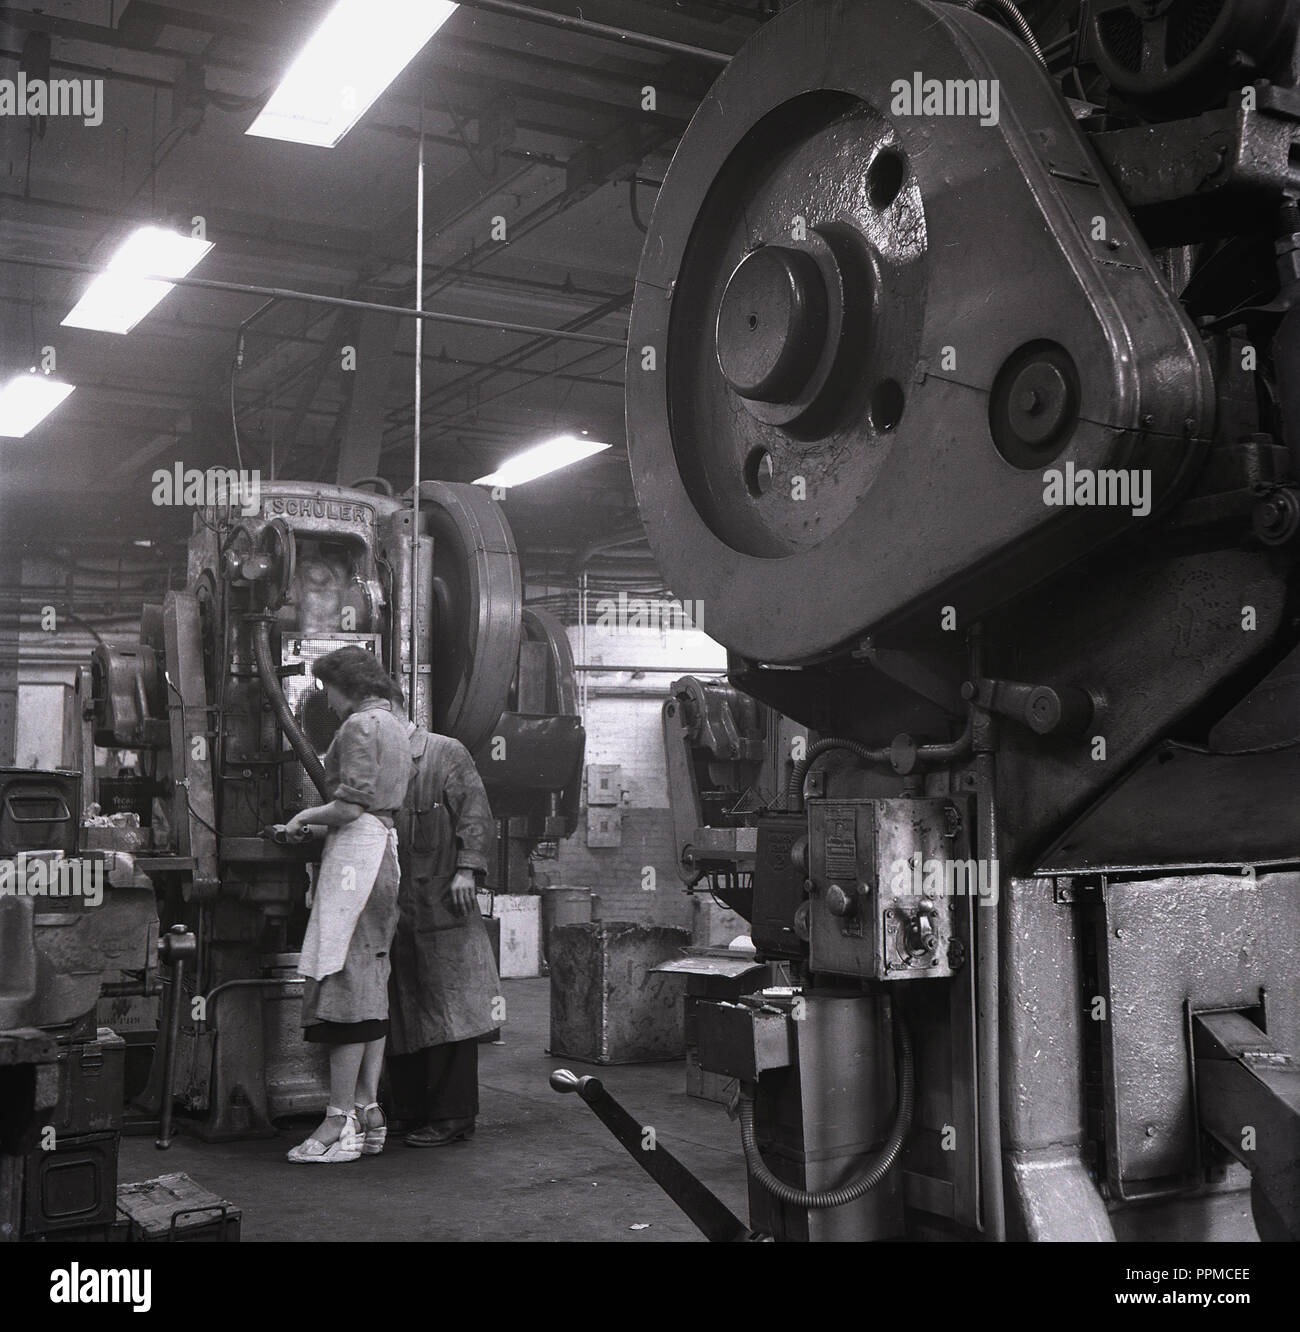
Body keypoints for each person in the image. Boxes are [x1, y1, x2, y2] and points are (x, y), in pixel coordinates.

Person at [278, 646, 410, 1164]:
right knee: (368, 983)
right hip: (383, 855)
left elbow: (351, 805)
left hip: (357, 856)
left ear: (343, 685)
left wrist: (299, 819)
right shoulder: (396, 724)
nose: (328, 703)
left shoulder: (358, 726)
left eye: (328, 690)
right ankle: (369, 1111)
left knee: (342, 982)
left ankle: (337, 1121)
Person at [386, 716, 498, 1147]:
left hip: (442, 902)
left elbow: (476, 813)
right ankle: (410, 1111)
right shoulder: (383, 759)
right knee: (402, 1010)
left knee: (448, 1010)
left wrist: (468, 869)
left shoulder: (444, 752)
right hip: (398, 908)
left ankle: (453, 1117)